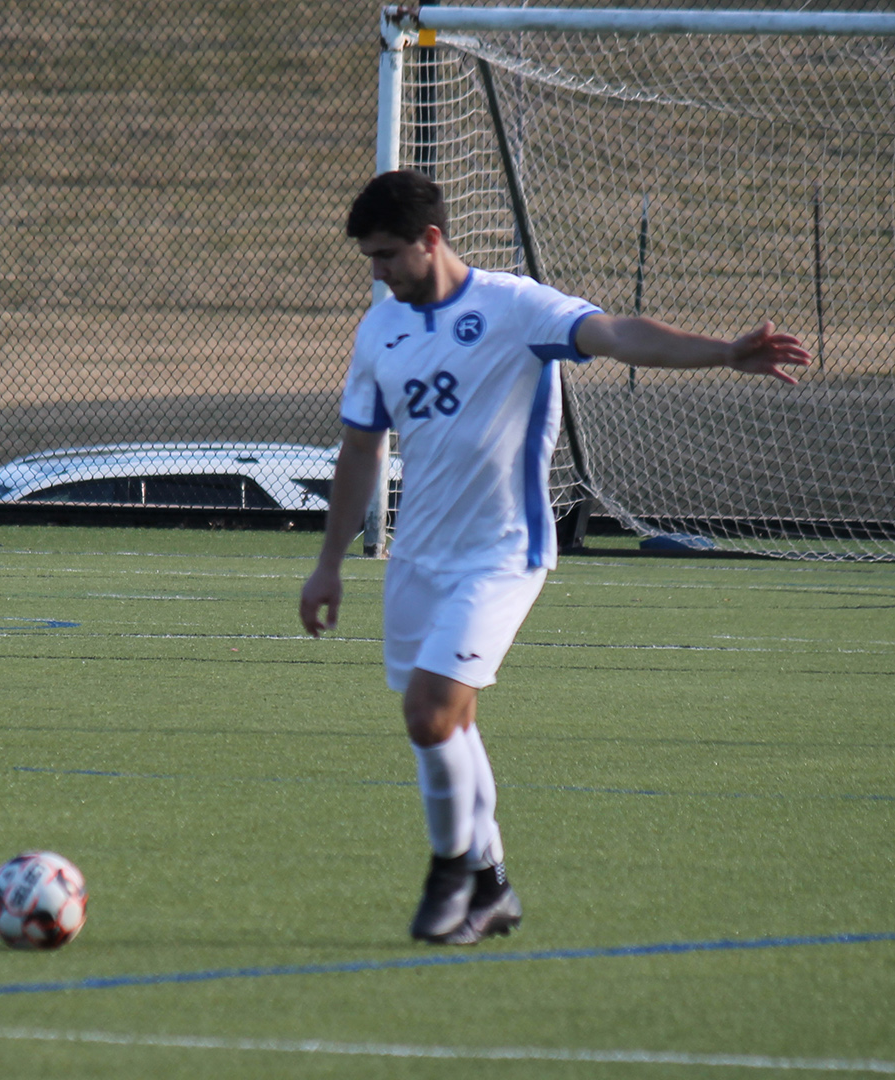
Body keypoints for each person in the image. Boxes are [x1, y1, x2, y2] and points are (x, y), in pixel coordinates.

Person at [299, 170, 811, 946]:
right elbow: (360, 451)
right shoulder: (381, 332)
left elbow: (617, 333)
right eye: (369, 257)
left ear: (431, 240)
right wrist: (330, 562)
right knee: (449, 727)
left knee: (431, 712)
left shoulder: (512, 307)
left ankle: (452, 874)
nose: (378, 272)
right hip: (417, 561)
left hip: (503, 553)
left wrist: (721, 353)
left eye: (388, 255)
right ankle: (494, 884)